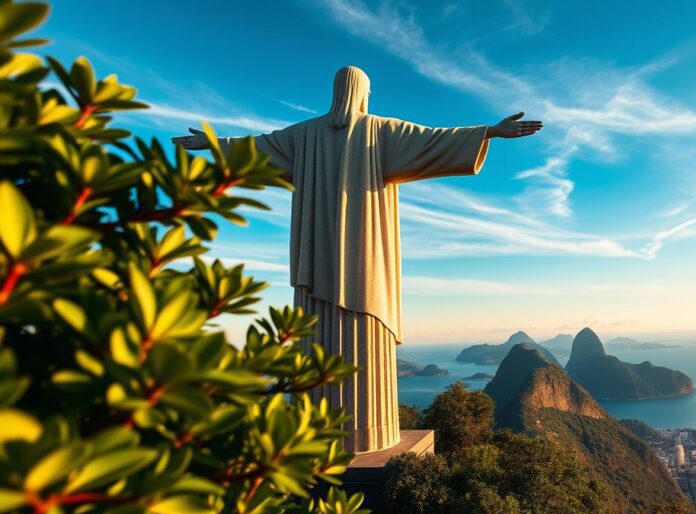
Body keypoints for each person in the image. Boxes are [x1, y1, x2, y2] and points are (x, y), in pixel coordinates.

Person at [173, 66, 542, 452]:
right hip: (367, 264)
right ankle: (367, 435)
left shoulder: (303, 135)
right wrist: (489, 131)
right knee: (359, 332)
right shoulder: (380, 129)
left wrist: (215, 143)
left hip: (315, 260)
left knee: (320, 338)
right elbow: (435, 139)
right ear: (363, 92)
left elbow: (256, 147)